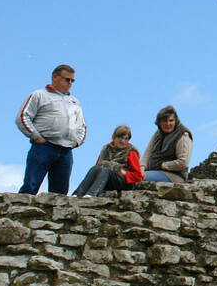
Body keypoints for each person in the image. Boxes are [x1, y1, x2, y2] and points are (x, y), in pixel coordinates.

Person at [16, 65, 87, 195]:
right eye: (67, 79)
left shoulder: (74, 102)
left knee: (60, 194)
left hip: (66, 150)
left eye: (72, 80)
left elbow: (82, 126)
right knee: (30, 187)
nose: (70, 83)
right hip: (44, 146)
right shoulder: (39, 95)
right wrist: (36, 137)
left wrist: (76, 142)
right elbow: (22, 116)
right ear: (55, 77)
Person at [71, 125, 143, 197]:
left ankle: (92, 194)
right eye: (120, 138)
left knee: (105, 171)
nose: (123, 141)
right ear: (114, 137)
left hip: (122, 181)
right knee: (95, 168)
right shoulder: (106, 149)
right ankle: (78, 194)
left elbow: (138, 176)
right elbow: (98, 166)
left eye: (126, 139)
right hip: (106, 179)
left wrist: (125, 173)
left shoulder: (131, 151)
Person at [142, 105, 193, 183]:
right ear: (159, 122)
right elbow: (147, 153)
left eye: (171, 120)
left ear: (175, 121)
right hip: (153, 170)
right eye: (164, 121)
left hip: (174, 175)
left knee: (137, 179)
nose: (168, 124)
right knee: (130, 175)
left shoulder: (183, 135)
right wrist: (141, 168)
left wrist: (162, 165)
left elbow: (183, 163)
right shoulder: (157, 134)